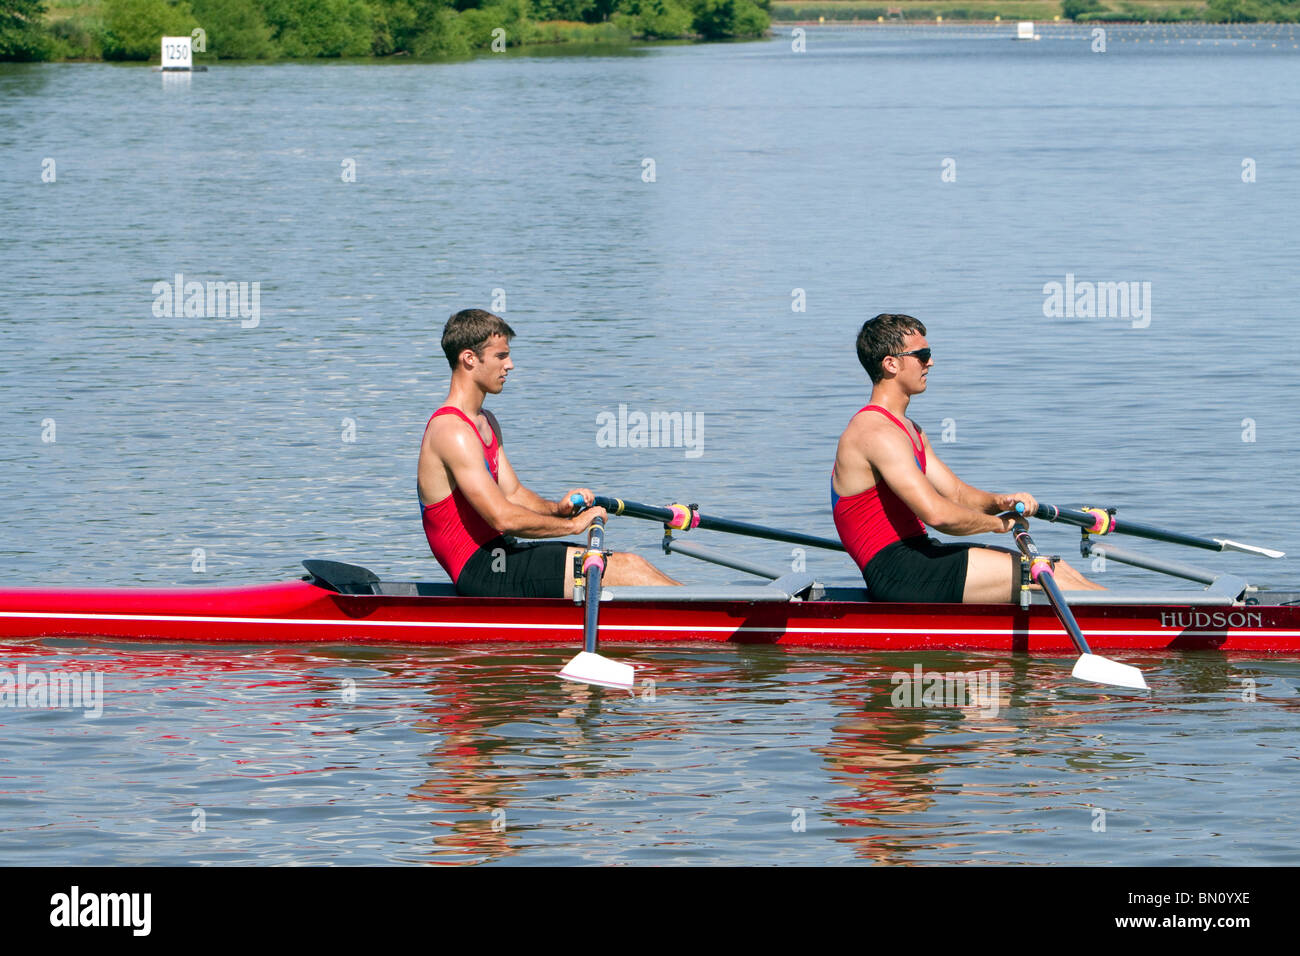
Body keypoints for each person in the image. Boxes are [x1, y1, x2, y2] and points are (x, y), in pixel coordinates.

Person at [831, 313, 1102, 603]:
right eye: (922, 355)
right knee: (1048, 577)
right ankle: (1143, 628)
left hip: (922, 554)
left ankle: (1135, 619)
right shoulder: (875, 433)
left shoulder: (911, 430)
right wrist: (1000, 525)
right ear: (891, 364)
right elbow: (938, 514)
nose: (930, 363)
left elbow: (957, 493)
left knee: (1059, 570)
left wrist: (1001, 503)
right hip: (900, 573)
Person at [418, 309, 679, 597]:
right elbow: (502, 518)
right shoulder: (451, 431)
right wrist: (573, 525)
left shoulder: (486, 421)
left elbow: (514, 493)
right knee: (627, 569)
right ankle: (719, 620)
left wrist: (558, 509)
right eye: (501, 356)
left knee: (631, 564)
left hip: (502, 554)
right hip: (482, 570)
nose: (511, 365)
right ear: (469, 358)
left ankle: (712, 609)